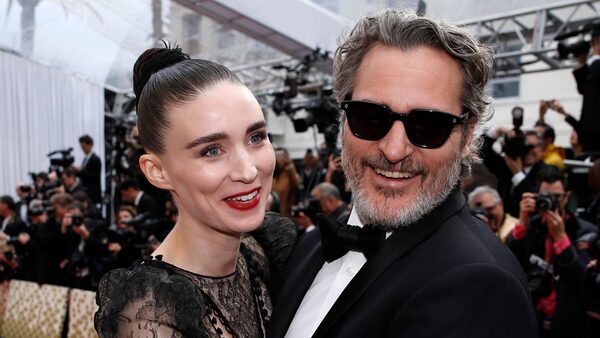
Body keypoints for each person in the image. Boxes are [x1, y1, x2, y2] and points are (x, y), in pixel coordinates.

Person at [268, 9, 537, 338]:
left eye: (428, 125)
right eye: (370, 117)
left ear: (467, 136)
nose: (394, 150)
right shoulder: (307, 247)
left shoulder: (480, 285)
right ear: (343, 119)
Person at [95, 44, 296, 337]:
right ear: (157, 171)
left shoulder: (265, 250)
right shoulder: (149, 317)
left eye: (256, 137)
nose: (248, 171)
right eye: (212, 150)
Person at [507, 166, 598, 337]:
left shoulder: (586, 231)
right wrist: (522, 222)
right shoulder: (531, 227)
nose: (551, 203)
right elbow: (510, 264)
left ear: (567, 197)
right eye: (545, 197)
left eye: (556, 197)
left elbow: (583, 281)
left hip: (571, 322)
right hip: (535, 319)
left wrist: (561, 238)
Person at [572, 27, 600, 153]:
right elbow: (583, 89)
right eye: (597, 42)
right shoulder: (591, 66)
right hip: (590, 130)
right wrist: (582, 61)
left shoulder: (595, 64)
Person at [73, 134, 102, 204]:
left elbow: (95, 175)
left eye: (84, 146)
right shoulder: (85, 159)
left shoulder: (95, 159)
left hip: (92, 191)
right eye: (81, 147)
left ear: (90, 145)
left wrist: (81, 171)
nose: (82, 149)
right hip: (85, 189)